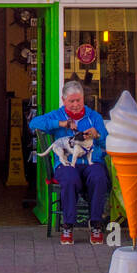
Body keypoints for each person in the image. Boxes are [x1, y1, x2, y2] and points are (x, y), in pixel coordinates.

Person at [29, 78, 109, 245]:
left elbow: (107, 145)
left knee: (99, 176)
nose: (75, 104)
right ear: (63, 100)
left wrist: (97, 135)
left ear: (83, 98)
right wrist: (60, 123)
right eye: (71, 101)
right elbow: (33, 123)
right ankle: (68, 225)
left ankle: (95, 223)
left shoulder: (94, 117)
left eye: (78, 100)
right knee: (69, 177)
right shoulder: (57, 114)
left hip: (90, 162)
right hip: (66, 163)